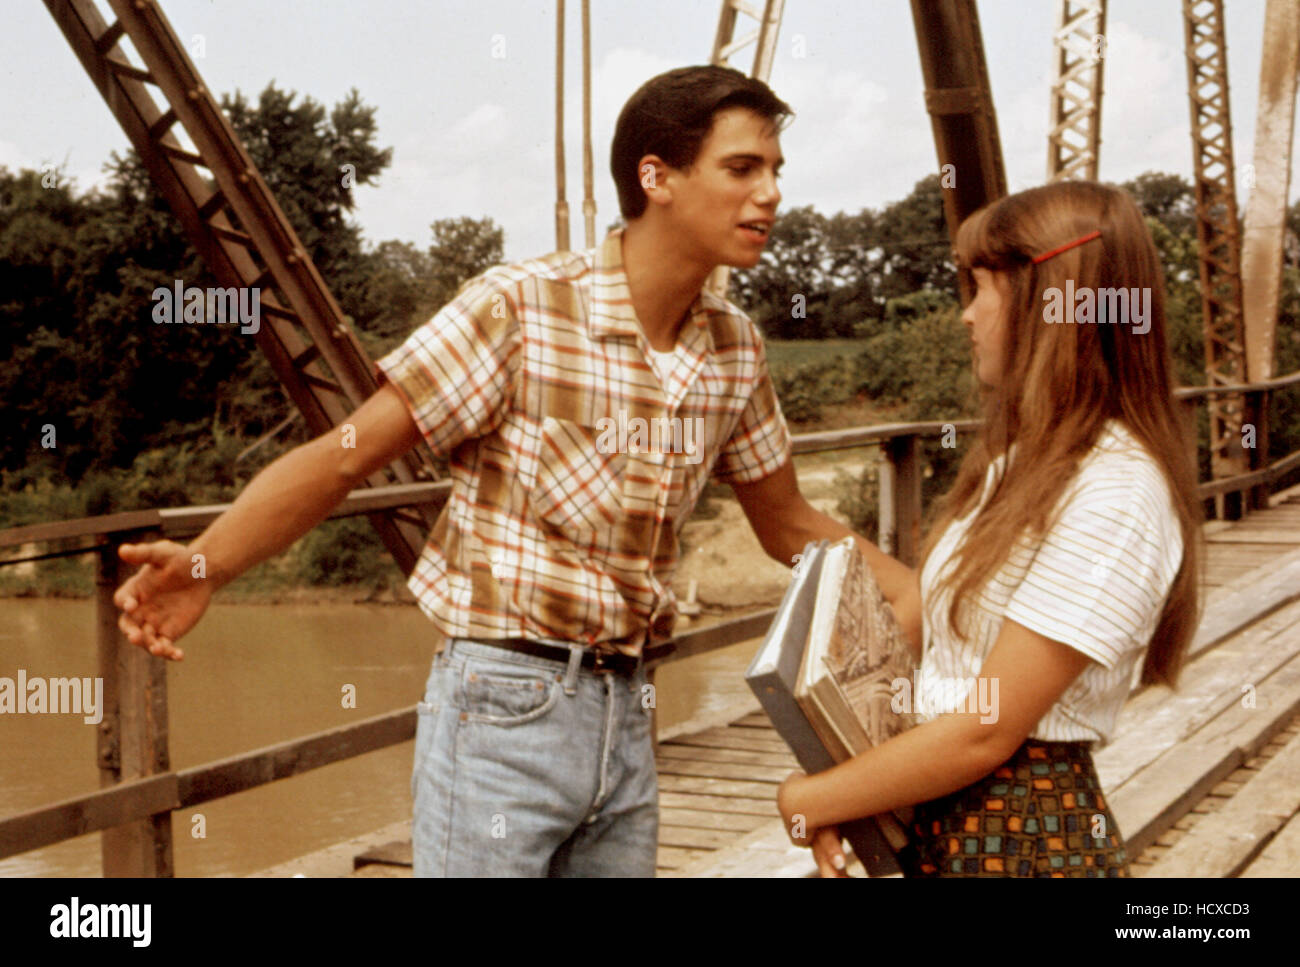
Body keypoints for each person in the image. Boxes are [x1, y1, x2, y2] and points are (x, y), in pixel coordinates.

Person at [113, 64, 891, 877]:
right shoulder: (523, 309)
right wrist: (210, 560)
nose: (769, 194)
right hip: (501, 708)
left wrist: (934, 599)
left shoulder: (734, 350)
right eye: (742, 169)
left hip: (629, 715)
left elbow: (792, 527)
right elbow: (347, 454)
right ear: (655, 177)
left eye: (775, 172)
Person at [776, 180, 1204, 878]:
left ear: (1048, 303)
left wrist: (808, 796)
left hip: (1023, 842)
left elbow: (989, 726)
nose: (966, 316)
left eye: (981, 289)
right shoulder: (1019, 467)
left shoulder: (1119, 487)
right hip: (954, 825)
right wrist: (860, 800)